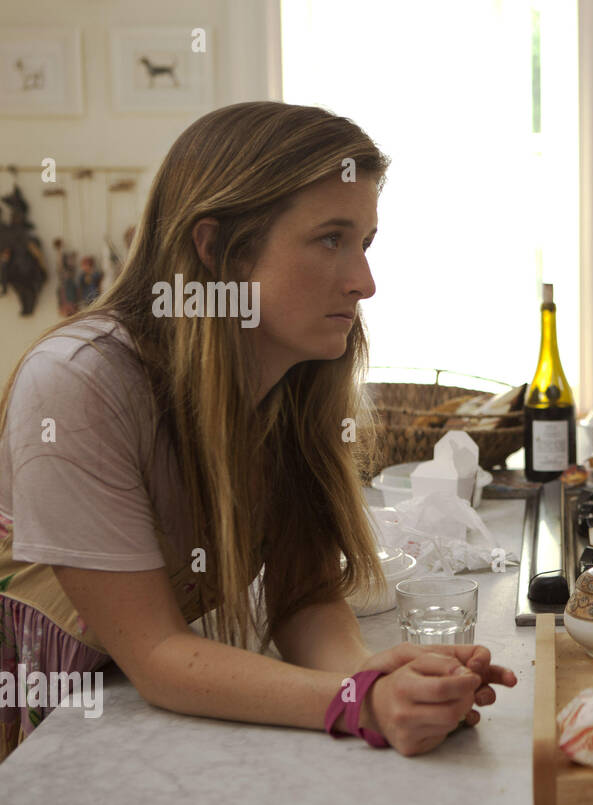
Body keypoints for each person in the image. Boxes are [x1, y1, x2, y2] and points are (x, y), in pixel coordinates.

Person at [0, 102, 516, 762]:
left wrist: (379, 681)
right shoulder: (80, 382)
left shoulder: (291, 378)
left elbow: (302, 598)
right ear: (217, 249)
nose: (365, 282)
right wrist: (354, 703)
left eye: (364, 242)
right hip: (45, 725)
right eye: (331, 239)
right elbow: (157, 655)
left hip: (132, 716)